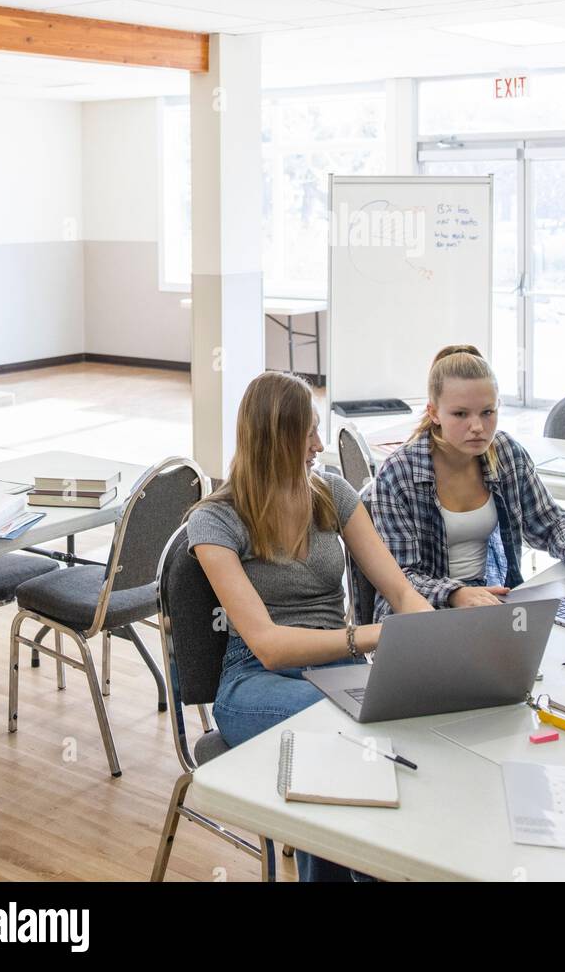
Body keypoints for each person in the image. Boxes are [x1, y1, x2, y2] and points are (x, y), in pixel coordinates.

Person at [186, 370, 432, 883]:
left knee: (405, 727)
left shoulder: (332, 493)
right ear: (273, 441)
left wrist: (436, 638)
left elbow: (401, 590)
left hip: (338, 671)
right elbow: (270, 647)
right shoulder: (216, 520)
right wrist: (367, 637)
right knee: (336, 732)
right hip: (253, 678)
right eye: (308, 435)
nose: (320, 445)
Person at [367, 345, 565, 620]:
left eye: (487, 412)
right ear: (434, 413)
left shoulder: (506, 453)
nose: (477, 427)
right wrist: (456, 594)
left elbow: (549, 522)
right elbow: (399, 579)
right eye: (461, 414)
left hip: (491, 604)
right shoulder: (399, 474)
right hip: (418, 616)